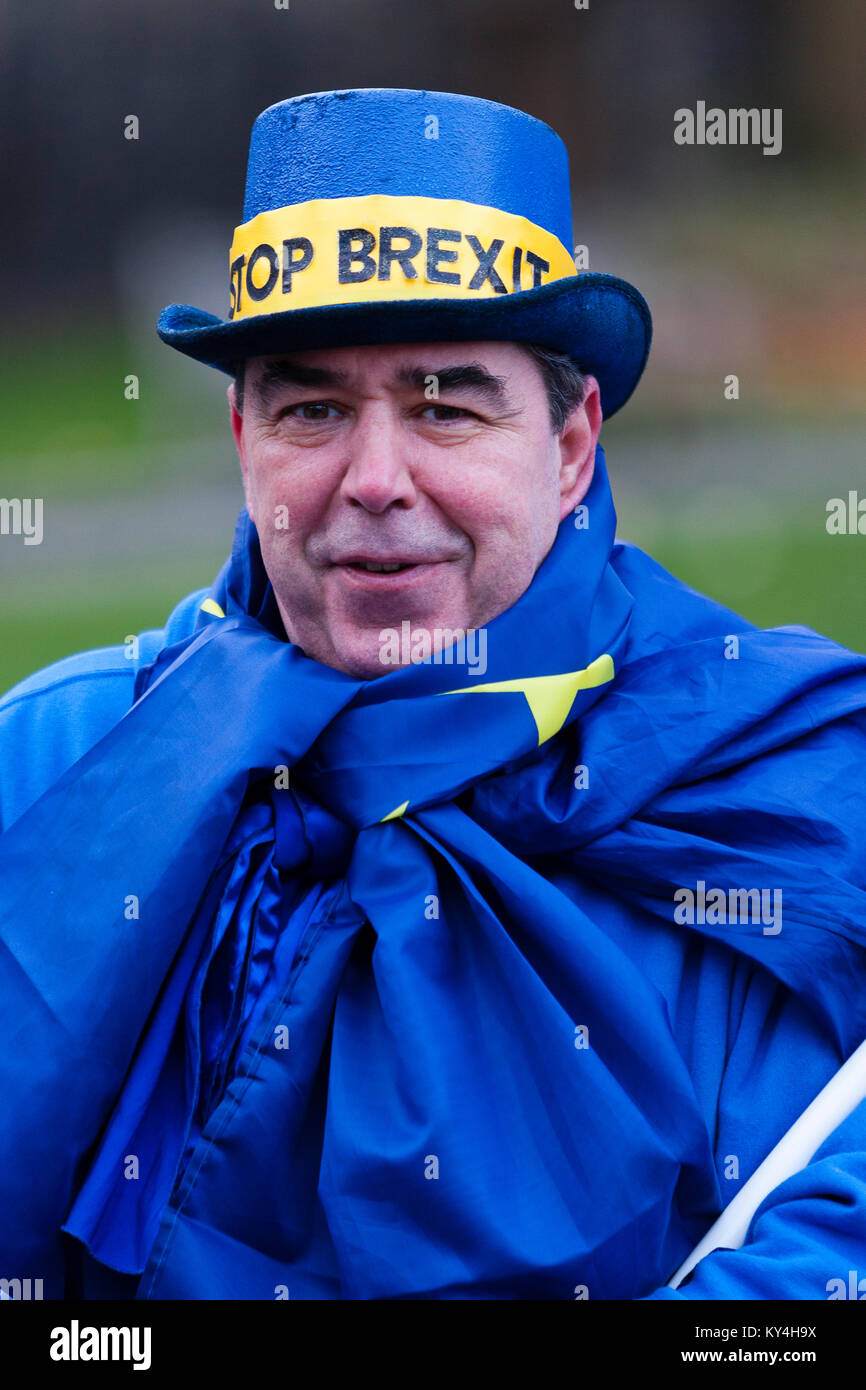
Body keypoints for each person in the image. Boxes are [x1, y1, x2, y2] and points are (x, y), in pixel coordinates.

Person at [1, 88, 865, 1303]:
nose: (374, 479)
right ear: (242, 438)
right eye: (313, 408)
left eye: (444, 405)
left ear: (570, 446)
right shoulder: (54, 763)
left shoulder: (797, 787)